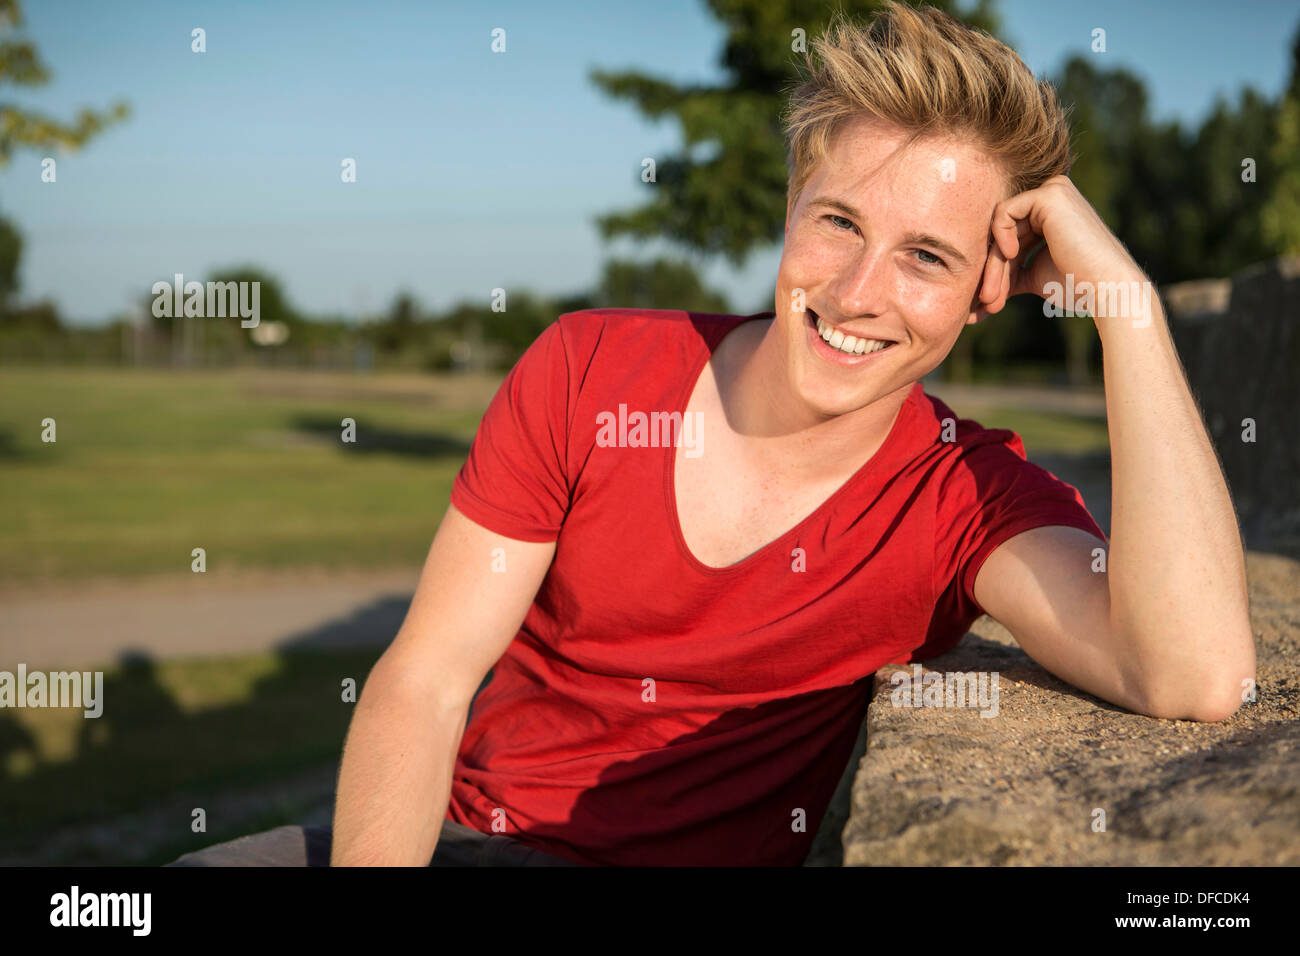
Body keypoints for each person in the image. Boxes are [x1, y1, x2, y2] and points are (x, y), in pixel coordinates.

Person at [169, 1, 1255, 868]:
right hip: (459, 839)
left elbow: (1196, 675)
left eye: (926, 255)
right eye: (838, 222)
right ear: (791, 211)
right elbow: (426, 675)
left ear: (987, 287)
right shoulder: (587, 368)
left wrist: (1127, 304)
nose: (860, 291)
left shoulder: (961, 497)